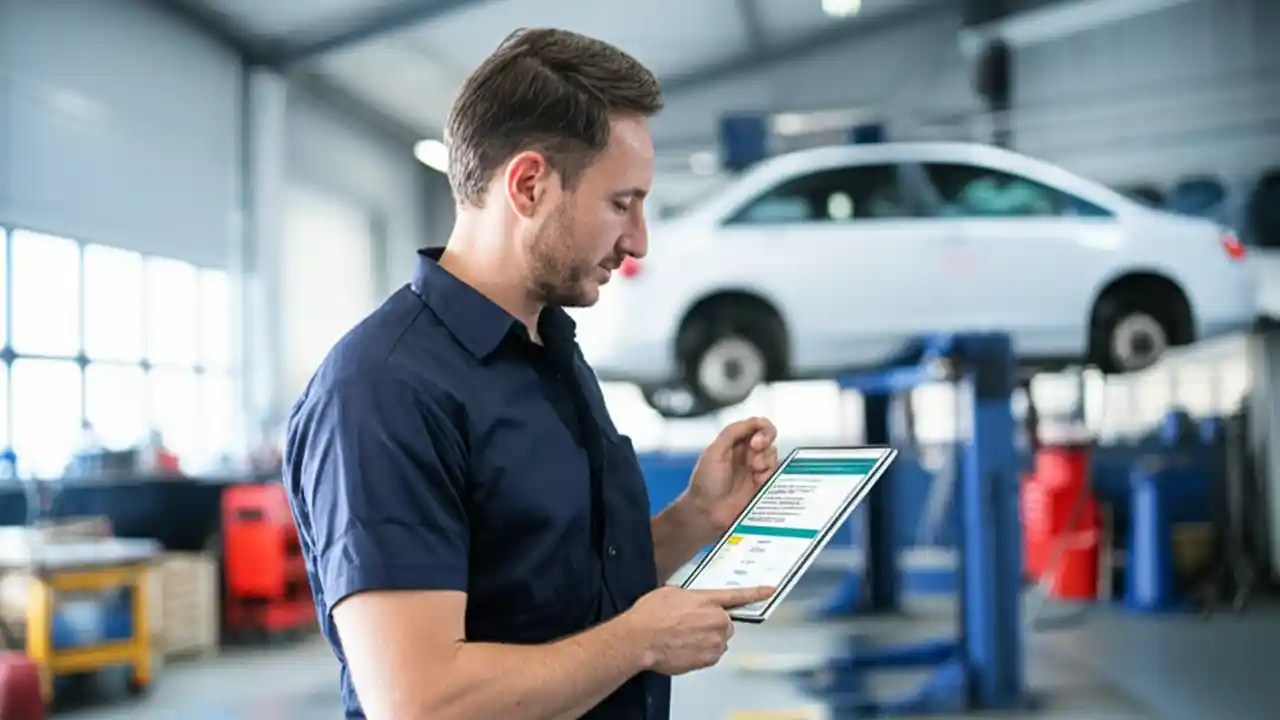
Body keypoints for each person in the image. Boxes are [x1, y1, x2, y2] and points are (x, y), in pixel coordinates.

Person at [283, 27, 781, 720]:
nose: (637, 239)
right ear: (528, 184)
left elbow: (564, 591)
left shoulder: (551, 352)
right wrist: (638, 643)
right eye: (621, 203)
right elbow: (420, 701)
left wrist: (697, 518)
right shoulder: (383, 393)